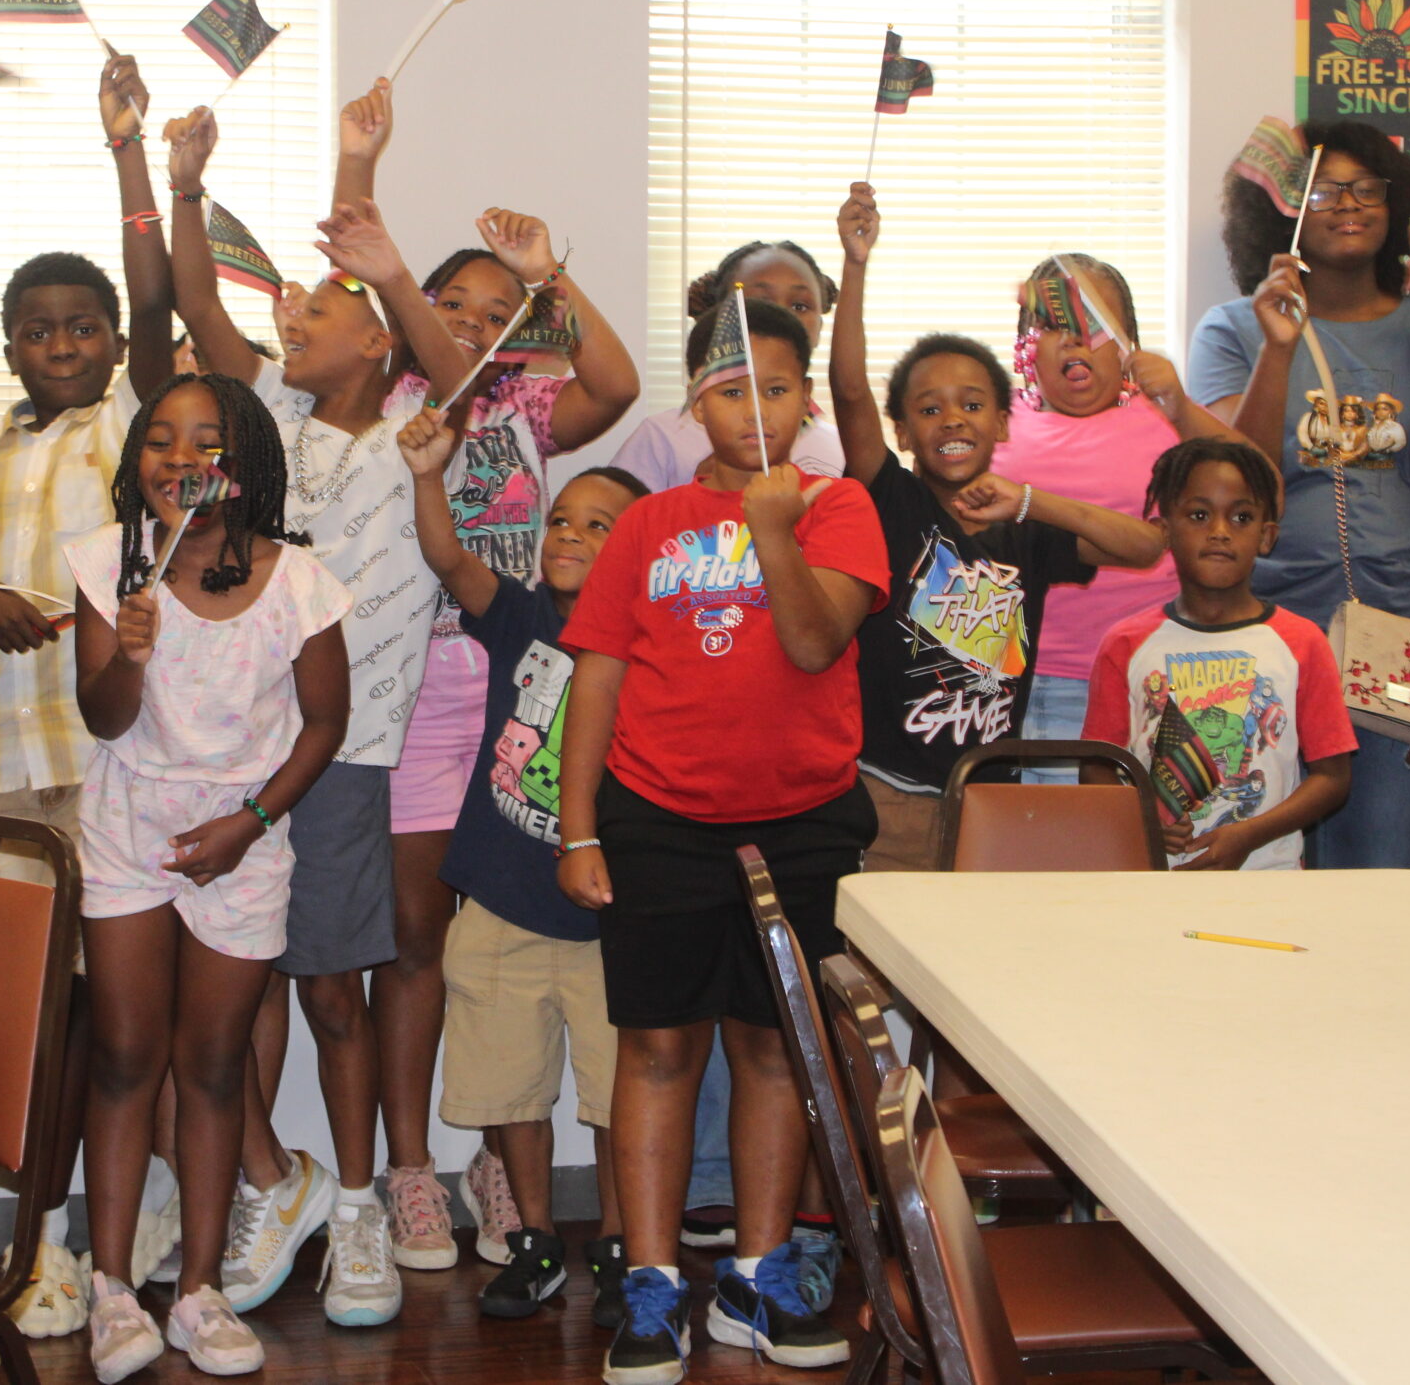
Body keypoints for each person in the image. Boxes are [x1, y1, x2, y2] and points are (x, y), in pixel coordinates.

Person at [164, 100, 473, 1327]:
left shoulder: (420, 432)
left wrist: (378, 233)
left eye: (317, 309)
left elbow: (458, 370)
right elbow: (200, 315)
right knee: (228, 998)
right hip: (237, 749)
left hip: (344, 758)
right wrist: (186, 188)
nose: (289, 315)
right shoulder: (271, 426)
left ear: (380, 342)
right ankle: (271, 1185)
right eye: (289, 305)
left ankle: (356, 1206)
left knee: (333, 993)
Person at [557, 296, 888, 1385]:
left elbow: (809, 639)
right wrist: (578, 827)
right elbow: (596, 674)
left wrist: (775, 528)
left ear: (805, 401)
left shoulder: (839, 506)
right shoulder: (647, 526)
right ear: (698, 400)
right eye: (734, 388)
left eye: (779, 388)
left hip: (800, 821)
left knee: (771, 1047)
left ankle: (756, 1271)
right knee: (657, 1049)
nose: (757, 409)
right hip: (659, 820)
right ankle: (651, 1284)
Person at [0, 56, 180, 1347]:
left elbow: (158, 285)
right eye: (41, 328)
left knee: (124, 1015)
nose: (66, 343)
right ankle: (39, 1237)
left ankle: (123, 1239)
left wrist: (127, 151)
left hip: (110, 768)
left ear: (117, 347)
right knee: (33, 1022)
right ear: (11, 341)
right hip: (2, 767)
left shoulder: (127, 430)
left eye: (85, 325)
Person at [64, 371, 350, 1379]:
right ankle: (109, 1289)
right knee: (124, 1057)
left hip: (246, 836)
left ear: (247, 464)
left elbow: (325, 724)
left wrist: (250, 822)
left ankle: (196, 1291)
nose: (178, 459)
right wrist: (128, 655)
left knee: (215, 1068)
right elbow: (103, 718)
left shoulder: (300, 581)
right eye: (159, 439)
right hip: (129, 825)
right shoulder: (109, 566)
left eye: (204, 441)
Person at [379, 193, 640, 1272]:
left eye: (499, 312)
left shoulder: (529, 407)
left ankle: (505, 1160)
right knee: (421, 935)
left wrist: (552, 274)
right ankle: (418, 1168)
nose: (476, 326)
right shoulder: (385, 396)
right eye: (454, 306)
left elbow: (616, 387)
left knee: (509, 937)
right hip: (404, 683)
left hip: (503, 669)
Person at [1190, 120, 1410, 869]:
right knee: (1254, 862)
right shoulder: (1233, 331)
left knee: (1376, 867)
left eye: (1367, 188)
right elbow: (1238, 486)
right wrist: (1279, 348)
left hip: (1402, 640)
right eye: (1325, 189)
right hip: (1266, 633)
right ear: (1287, 208)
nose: (1348, 204)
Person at [829, 185, 1163, 871]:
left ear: (1004, 422)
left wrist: (1031, 501)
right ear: (903, 430)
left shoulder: (1024, 526)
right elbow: (851, 390)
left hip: (989, 795)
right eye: (930, 407)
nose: (953, 418)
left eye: (973, 403)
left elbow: (1145, 544)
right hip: (888, 793)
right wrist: (855, 265)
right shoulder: (892, 498)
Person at [988, 234, 1257, 783]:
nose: (1073, 343)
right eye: (1054, 326)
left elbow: (1260, 488)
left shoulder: (1165, 420)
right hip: (1023, 684)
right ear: (1023, 346)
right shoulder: (991, 422)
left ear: (1128, 341)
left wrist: (1180, 407)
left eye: (1093, 325)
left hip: (1157, 676)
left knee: (1144, 851)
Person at [1081, 438, 1356, 867]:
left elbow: (1333, 778)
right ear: (1165, 531)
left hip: (1268, 880)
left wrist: (1249, 835)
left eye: (1242, 517)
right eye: (1199, 515)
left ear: (1266, 537)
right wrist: (1139, 817)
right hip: (1149, 879)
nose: (1220, 531)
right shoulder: (1125, 644)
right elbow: (1096, 767)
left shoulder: (1302, 643)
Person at [611, 239, 846, 491]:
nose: (781, 317)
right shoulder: (661, 438)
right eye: (760, 303)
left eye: (800, 306)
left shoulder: (838, 448)